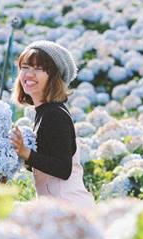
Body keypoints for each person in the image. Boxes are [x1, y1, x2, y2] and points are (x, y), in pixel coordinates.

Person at [9, 40, 95, 207]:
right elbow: (47, 160)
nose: (29, 74)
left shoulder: (54, 114)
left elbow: (63, 168)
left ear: (54, 77)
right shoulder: (44, 112)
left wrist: (25, 152)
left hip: (70, 208)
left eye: (39, 69)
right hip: (59, 207)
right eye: (25, 67)